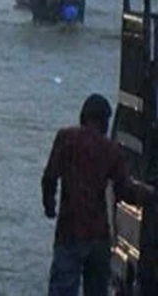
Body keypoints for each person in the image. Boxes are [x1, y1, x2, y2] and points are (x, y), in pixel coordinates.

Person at [42, 94, 156, 296]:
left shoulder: (66, 138)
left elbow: (49, 177)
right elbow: (125, 190)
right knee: (97, 289)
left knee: (63, 288)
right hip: (98, 234)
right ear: (103, 121)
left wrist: (49, 206)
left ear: (84, 116)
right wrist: (149, 193)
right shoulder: (110, 149)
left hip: (69, 230)